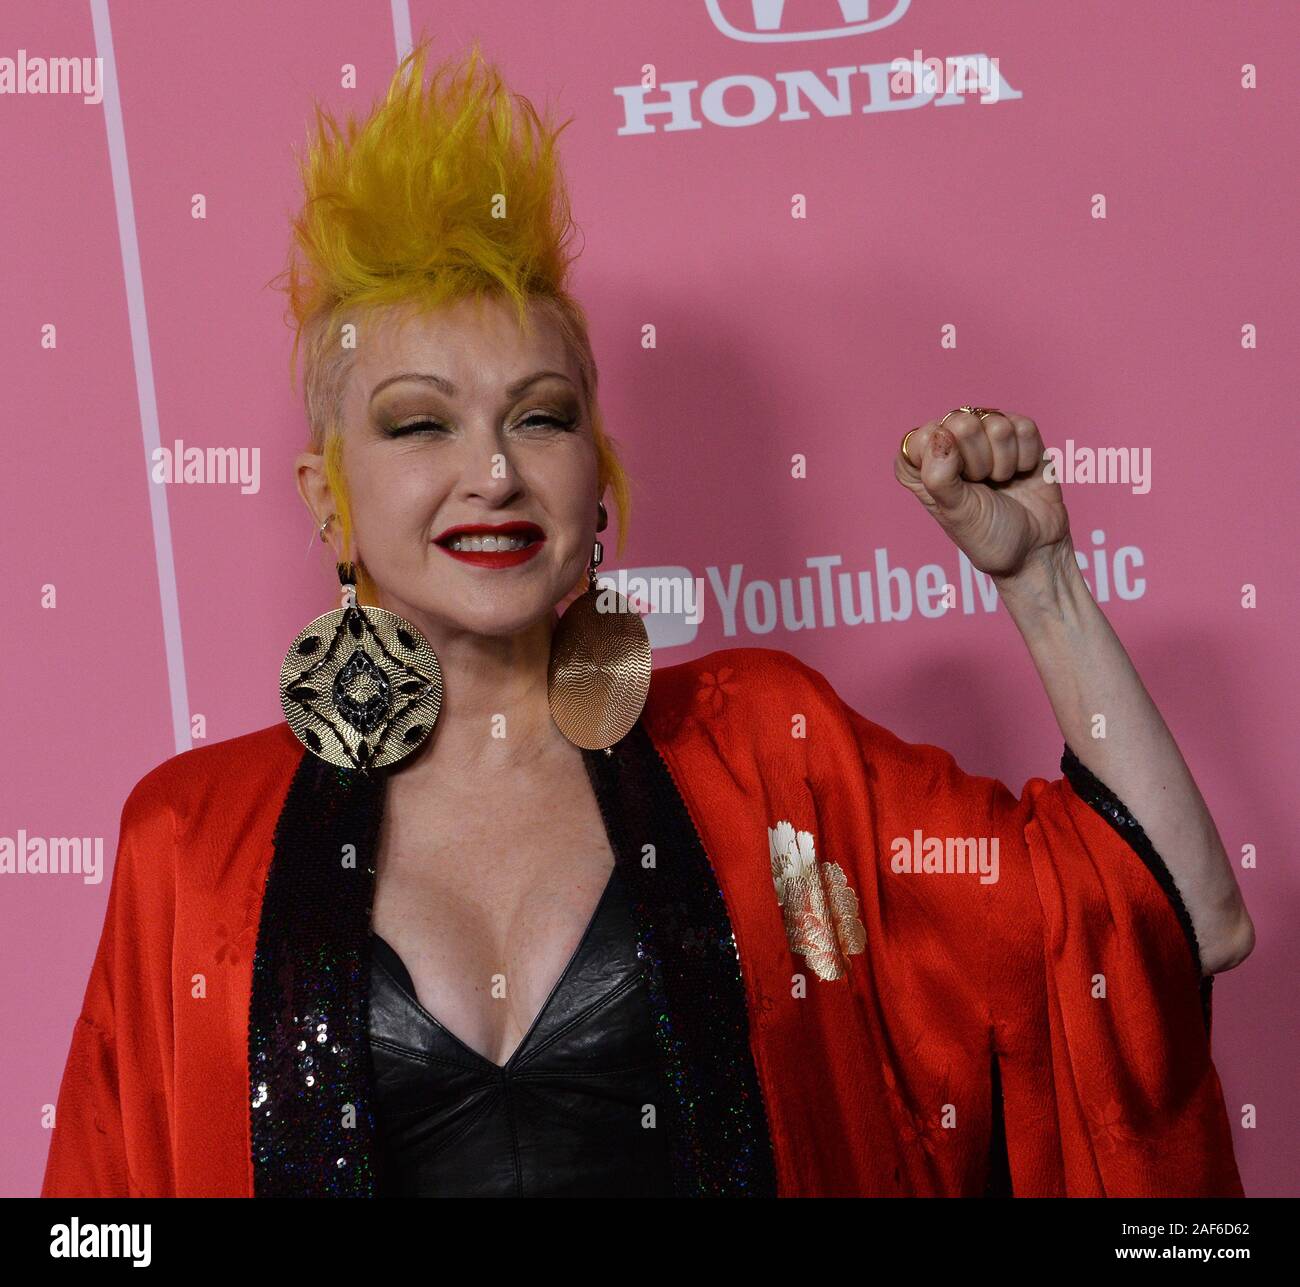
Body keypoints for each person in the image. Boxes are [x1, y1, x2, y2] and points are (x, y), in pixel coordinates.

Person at [41, 39, 1249, 1199]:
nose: (496, 475)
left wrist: (1040, 579)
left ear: (597, 479)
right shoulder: (188, 848)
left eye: (542, 416)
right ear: (331, 503)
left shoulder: (771, 756)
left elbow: (1170, 919)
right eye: (419, 424)